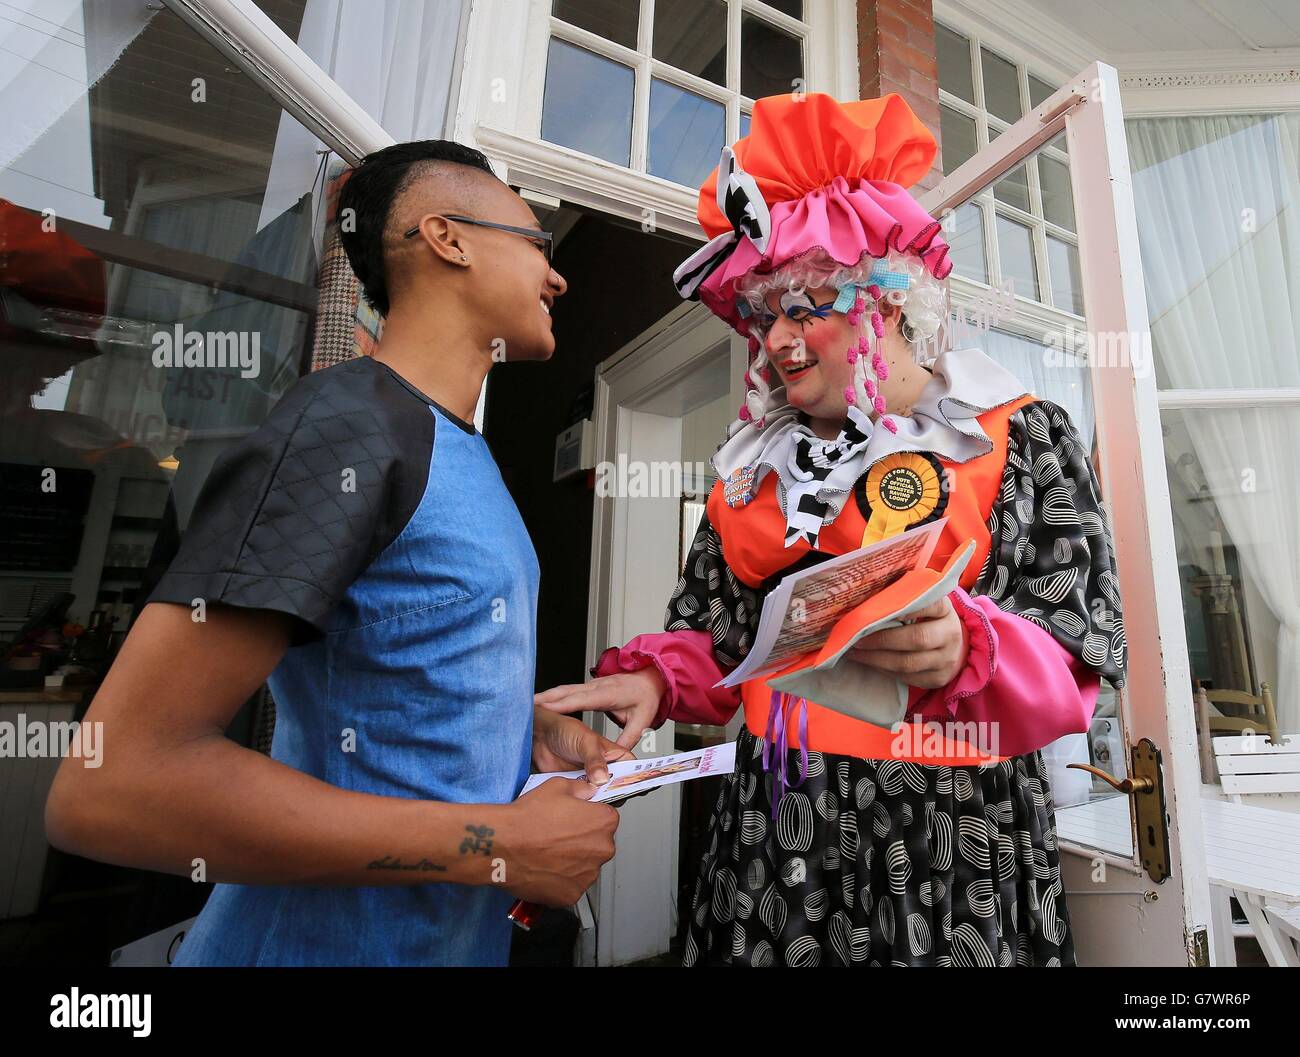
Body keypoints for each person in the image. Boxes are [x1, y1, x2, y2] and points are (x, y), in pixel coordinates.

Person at [537, 94, 1127, 966]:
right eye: (763, 313)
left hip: (947, 838)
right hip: (779, 842)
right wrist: (660, 685)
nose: (775, 338)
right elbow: (727, 644)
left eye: (804, 306)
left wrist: (968, 647)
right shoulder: (751, 470)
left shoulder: (1017, 432)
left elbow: (1079, 645)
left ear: (886, 299)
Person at [45, 140, 623, 967]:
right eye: (536, 243)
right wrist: (495, 839)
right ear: (448, 238)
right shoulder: (346, 428)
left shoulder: (460, 447)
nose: (557, 273)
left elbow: (384, 663)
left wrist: (514, 725)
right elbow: (116, 781)